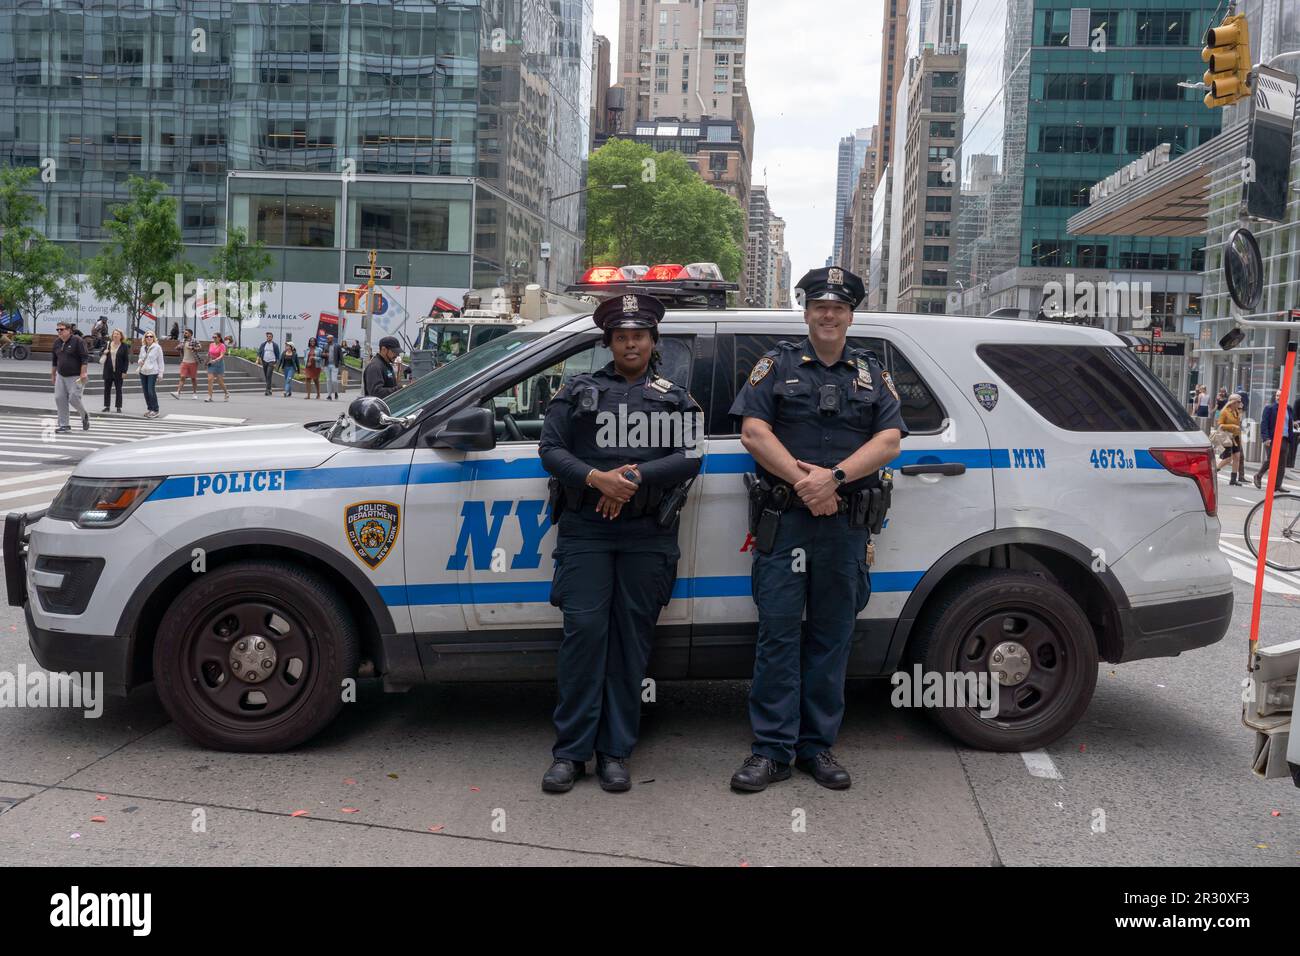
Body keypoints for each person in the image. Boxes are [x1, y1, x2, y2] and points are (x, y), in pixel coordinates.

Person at [727, 265, 906, 793]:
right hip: (785, 522)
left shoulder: (873, 373)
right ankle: (771, 751)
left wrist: (834, 479)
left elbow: (891, 439)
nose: (828, 315)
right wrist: (806, 483)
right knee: (778, 635)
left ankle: (817, 747)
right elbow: (754, 432)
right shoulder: (774, 364)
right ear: (806, 313)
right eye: (820, 307)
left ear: (851, 316)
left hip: (844, 525)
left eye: (838, 308)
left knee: (832, 637)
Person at [537, 293, 702, 793]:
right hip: (587, 531)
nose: (631, 343)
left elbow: (691, 456)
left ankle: (615, 753)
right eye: (622, 337)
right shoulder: (578, 388)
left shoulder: (675, 397)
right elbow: (551, 449)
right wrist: (594, 479)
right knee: (584, 636)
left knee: (631, 644)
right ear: (610, 342)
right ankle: (570, 753)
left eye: (640, 336)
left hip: (647, 534)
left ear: (654, 342)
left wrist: (628, 477)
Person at [50, 320, 90, 433]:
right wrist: (53, 374)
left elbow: (84, 358)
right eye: (57, 330)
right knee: (59, 398)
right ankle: (64, 425)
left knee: (74, 398)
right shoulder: (57, 342)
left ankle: (84, 415)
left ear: (68, 330)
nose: (59, 332)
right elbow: (54, 360)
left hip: (76, 376)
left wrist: (83, 373)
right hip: (60, 375)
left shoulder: (78, 340)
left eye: (61, 329)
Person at [1255, 389, 1292, 494]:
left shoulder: (1288, 408)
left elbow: (1288, 422)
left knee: (1282, 464)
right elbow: (1264, 424)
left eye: (1280, 395)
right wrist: (1266, 438)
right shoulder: (1270, 408)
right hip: (1272, 439)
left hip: (1284, 438)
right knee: (1271, 460)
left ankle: (1277, 485)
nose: (1278, 397)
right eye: (1277, 395)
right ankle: (1258, 476)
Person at [1215, 393, 1244, 485]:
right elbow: (1220, 425)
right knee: (1228, 459)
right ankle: (1214, 471)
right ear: (1233, 402)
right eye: (1238, 402)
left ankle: (1233, 479)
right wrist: (1232, 426)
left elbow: (1239, 423)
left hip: (1236, 437)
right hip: (1227, 437)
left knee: (1237, 457)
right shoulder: (1225, 412)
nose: (1240, 403)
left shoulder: (1237, 411)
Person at [137, 330, 165, 418]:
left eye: (151, 336)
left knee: (150, 390)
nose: (149, 338)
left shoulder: (157, 347)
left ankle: (155, 410)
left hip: (153, 372)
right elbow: (140, 358)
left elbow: (161, 361)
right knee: (145, 392)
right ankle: (150, 409)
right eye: (147, 336)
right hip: (143, 371)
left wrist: (161, 373)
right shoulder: (143, 347)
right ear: (144, 338)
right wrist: (140, 361)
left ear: (154, 338)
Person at [100, 328, 129, 413]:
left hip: (119, 371)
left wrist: (125, 371)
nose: (115, 335)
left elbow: (126, 360)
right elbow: (100, 353)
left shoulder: (124, 346)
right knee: (107, 389)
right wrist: (104, 352)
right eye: (114, 334)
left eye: (117, 334)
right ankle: (107, 406)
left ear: (121, 336)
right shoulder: (108, 344)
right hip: (108, 370)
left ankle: (118, 407)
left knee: (118, 389)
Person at [172, 329, 200, 400]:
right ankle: (178, 393)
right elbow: (178, 347)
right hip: (184, 361)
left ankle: (194, 393)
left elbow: (200, 347)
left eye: (186, 333)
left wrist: (192, 348)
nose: (185, 334)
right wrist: (177, 348)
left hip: (193, 362)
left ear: (190, 334)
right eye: (184, 333)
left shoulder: (194, 340)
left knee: (193, 378)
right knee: (182, 377)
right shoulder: (183, 341)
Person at [205, 332, 230, 402]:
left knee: (220, 381)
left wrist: (215, 360)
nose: (214, 338)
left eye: (215, 337)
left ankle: (226, 392)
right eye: (213, 337)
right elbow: (209, 354)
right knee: (210, 379)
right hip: (211, 364)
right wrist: (206, 362)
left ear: (219, 338)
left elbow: (222, 355)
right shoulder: (211, 345)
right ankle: (209, 396)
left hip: (219, 364)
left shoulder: (222, 345)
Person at [257, 331, 280, 395]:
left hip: (271, 361)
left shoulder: (275, 345)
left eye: (270, 336)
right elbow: (259, 352)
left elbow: (278, 355)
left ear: (272, 337)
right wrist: (257, 359)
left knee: (268, 375)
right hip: (264, 361)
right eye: (267, 336)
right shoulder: (263, 344)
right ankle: (270, 389)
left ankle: (267, 390)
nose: (268, 337)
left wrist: (276, 363)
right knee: (266, 376)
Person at [324, 334, 343, 400]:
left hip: (335, 365)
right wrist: (324, 354)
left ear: (332, 339)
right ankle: (329, 395)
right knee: (328, 380)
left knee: (334, 380)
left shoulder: (337, 346)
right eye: (327, 338)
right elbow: (322, 354)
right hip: (327, 365)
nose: (327, 340)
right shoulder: (325, 345)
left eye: (328, 339)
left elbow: (341, 355)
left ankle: (336, 392)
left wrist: (343, 363)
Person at [304, 335, 322, 399]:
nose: (312, 342)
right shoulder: (306, 349)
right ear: (309, 342)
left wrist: (314, 358)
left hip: (316, 366)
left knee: (316, 380)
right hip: (308, 366)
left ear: (315, 342)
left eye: (313, 341)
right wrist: (306, 363)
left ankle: (318, 394)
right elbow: (305, 358)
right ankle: (308, 395)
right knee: (307, 379)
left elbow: (320, 358)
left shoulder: (319, 349)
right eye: (311, 341)